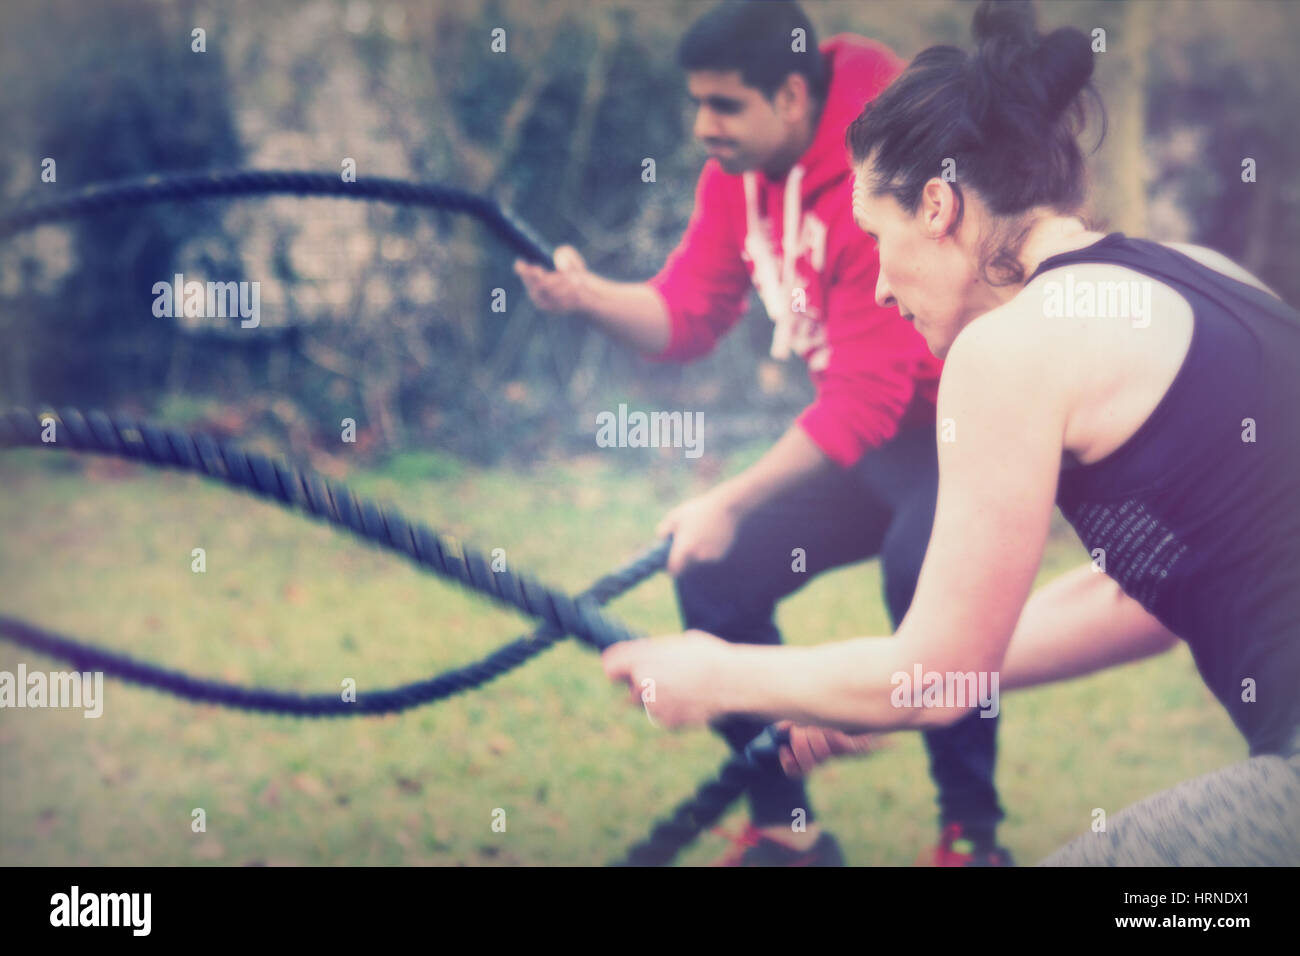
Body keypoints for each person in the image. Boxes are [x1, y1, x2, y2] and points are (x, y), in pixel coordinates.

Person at [602, 0, 1300, 866]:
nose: (882, 290)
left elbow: (931, 678)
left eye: (874, 236)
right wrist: (847, 691)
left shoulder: (1009, 351)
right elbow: (1137, 597)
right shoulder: (1201, 275)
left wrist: (719, 674)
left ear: (937, 206)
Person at [516, 0, 1012, 866]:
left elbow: (866, 394)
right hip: (876, 438)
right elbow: (684, 317)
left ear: (790, 95)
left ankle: (970, 836)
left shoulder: (882, 180)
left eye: (724, 106)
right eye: (697, 104)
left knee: (925, 576)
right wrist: (588, 295)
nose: (704, 126)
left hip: (964, 424)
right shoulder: (737, 182)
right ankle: (787, 833)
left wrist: (727, 494)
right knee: (718, 563)